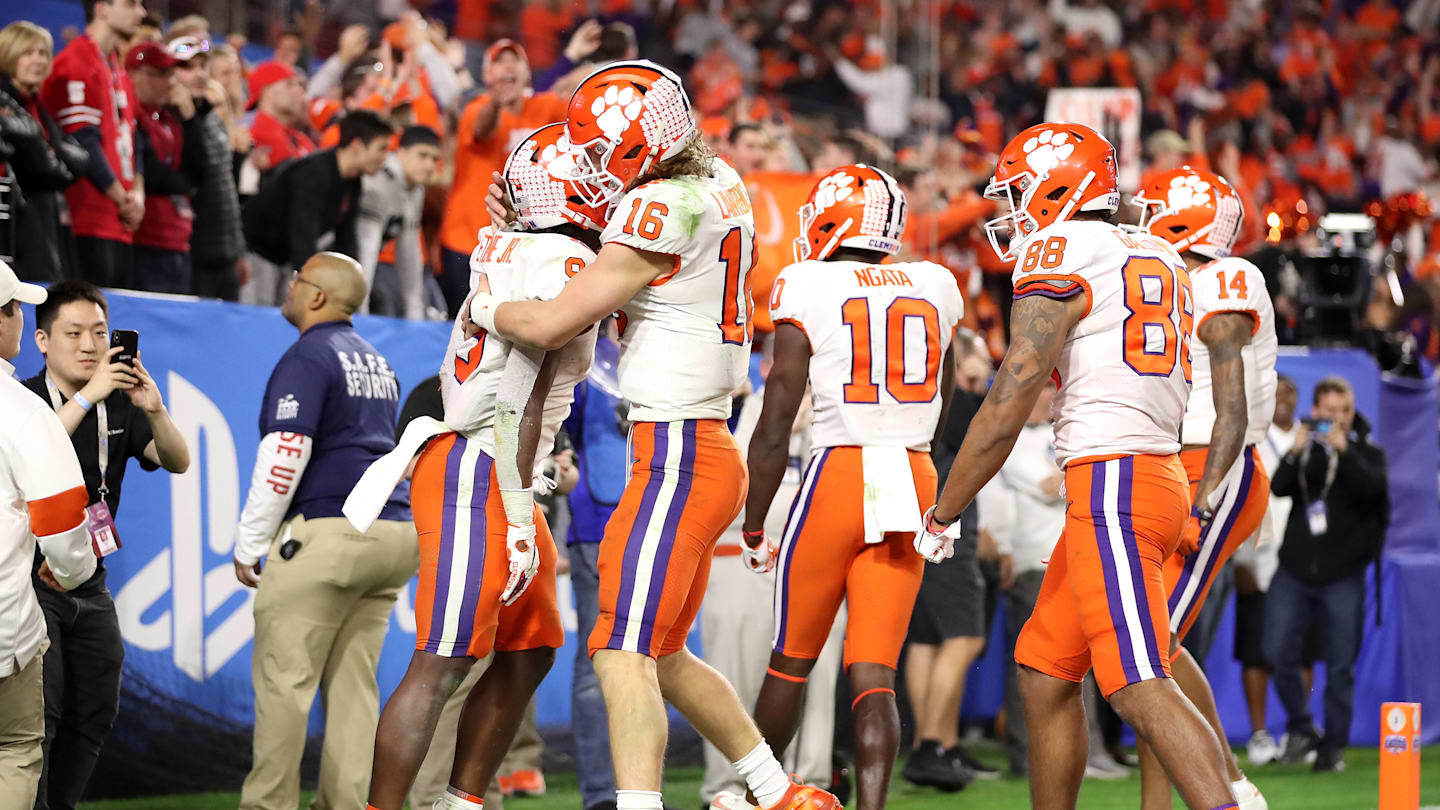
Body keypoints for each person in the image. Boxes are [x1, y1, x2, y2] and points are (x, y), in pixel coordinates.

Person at [469, 61, 840, 810]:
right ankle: (779, 792)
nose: (598, 174)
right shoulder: (719, 182)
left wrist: (486, 299)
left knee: (619, 651)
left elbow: (547, 321)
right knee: (664, 653)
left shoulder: (659, 209)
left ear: (642, 147)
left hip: (677, 452)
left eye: (604, 156)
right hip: (703, 446)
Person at [914, 122, 1239, 810]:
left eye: (1020, 190)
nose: (1014, 207)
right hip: (1145, 472)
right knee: (1044, 671)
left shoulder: (1062, 247)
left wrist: (943, 510)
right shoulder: (1156, 249)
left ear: (1057, 185)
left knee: (1138, 680)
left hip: (1116, 479)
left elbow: (1008, 399)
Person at [349, 122, 608, 810]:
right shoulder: (560, 259)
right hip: (481, 463)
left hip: (499, 462)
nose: (605, 184)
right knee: (442, 659)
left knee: (533, 645)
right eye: (590, 171)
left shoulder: (525, 246)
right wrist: (522, 516)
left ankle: (460, 802)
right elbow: (518, 397)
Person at [735, 164, 962, 810]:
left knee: (792, 659)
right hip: (913, 472)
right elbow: (944, 398)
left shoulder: (807, 283)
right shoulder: (937, 284)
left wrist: (755, 525)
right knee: (874, 674)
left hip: (840, 470)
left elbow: (776, 423)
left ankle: (763, 799)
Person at [230, 252, 418, 810]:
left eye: (297, 280)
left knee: (285, 687)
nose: (288, 287)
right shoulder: (377, 360)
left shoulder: (308, 355)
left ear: (315, 297)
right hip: (393, 533)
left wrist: (251, 541)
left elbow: (286, 451)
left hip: (331, 533)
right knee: (355, 689)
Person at [1134, 166, 1275, 809]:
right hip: (1172, 463)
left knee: (1150, 646)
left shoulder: (1226, 276)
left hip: (1214, 468)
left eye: (1152, 209)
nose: (1140, 219)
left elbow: (1232, 409)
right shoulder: (1167, 280)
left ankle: (1231, 788)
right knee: (1144, 650)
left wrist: (1205, 495)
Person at [23, 279, 189, 810]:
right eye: (73, 333)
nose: (91, 345)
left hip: (90, 580)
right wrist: (87, 395)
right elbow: (37, 449)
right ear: (43, 340)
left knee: (95, 709)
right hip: (29, 582)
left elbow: (179, 460)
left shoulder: (116, 404)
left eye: (99, 331)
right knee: (39, 717)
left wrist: (155, 409)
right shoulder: (23, 401)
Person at [701, 369, 845, 810]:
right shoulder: (733, 404)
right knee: (732, 680)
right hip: (738, 563)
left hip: (812, 563)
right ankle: (727, 791)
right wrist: (771, 431)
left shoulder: (839, 414)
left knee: (815, 684)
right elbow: (724, 492)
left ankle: (811, 785)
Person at [0, 264, 95, 810]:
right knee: (13, 751)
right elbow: (60, 521)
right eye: (14, 307)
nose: (19, 318)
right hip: (5, 634)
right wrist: (74, 572)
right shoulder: (21, 409)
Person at [1266, 376, 1388, 773]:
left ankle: (1332, 749)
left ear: (1352, 413)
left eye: (1344, 411)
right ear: (1315, 412)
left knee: (1339, 666)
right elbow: (1280, 488)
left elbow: (1375, 492)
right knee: (1274, 648)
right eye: (1329, 411)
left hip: (1343, 575)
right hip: (1295, 569)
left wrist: (1346, 455)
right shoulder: (1306, 450)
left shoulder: (1368, 452)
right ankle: (1303, 729)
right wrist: (1292, 453)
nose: (1336, 419)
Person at [905, 330, 997, 790]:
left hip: (917, 518)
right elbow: (987, 436)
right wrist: (972, 386)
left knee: (925, 638)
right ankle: (929, 746)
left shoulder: (921, 397)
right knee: (964, 636)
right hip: (945, 526)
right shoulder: (958, 402)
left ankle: (938, 742)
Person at [437, 39, 564, 316]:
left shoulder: (544, 106)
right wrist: (497, 101)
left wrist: (572, 56)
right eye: (498, 61)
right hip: (467, 239)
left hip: (515, 242)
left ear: (527, 72)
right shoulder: (478, 108)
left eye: (514, 60)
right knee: (461, 321)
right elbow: (483, 129)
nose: (508, 66)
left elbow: (571, 97)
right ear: (486, 76)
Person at [974, 383, 1063, 777]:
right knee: (1033, 663)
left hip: (1067, 559)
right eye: (1042, 387)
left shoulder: (1057, 434)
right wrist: (1088, 467)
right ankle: (1027, 755)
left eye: (1051, 387)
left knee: (1075, 664)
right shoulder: (1013, 440)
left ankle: (1081, 750)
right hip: (1033, 563)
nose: (1048, 395)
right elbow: (1049, 487)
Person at [40, 0, 147, 289]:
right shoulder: (75, 61)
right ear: (102, 7)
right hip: (86, 217)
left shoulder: (116, 67)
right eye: (132, 3)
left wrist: (138, 194)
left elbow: (135, 136)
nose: (142, 12)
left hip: (120, 221)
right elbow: (82, 141)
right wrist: (123, 198)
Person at [241, 110, 394, 306]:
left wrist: (353, 283)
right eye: (381, 149)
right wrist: (312, 286)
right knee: (262, 321)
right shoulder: (314, 173)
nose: (385, 158)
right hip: (256, 253)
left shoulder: (352, 181)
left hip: (282, 258)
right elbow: (302, 234)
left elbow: (347, 239)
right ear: (356, 145)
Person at [560, 375, 626, 810]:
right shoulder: (588, 356)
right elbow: (559, 419)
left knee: (655, 659)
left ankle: (638, 792)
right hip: (598, 520)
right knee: (595, 662)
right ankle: (602, 795)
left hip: (653, 514)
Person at [1231, 375, 1298, 767]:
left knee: (1301, 650)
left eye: (1289, 393)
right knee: (1256, 652)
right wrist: (1241, 559)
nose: (1283, 400)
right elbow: (1241, 500)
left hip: (1303, 563)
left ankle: (1296, 729)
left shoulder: (1309, 438)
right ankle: (1259, 734)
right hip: (1259, 560)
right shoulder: (1251, 440)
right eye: (1275, 393)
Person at [165, 30, 248, 301]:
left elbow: (226, 190)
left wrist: (237, 251)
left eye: (202, 66)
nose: (199, 74)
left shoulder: (209, 115)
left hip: (223, 256)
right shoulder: (169, 120)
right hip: (191, 256)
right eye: (187, 67)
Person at [0, 22, 86, 284]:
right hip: (17, 231)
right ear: (9, 56)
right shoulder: (4, 103)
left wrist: (48, 152)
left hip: (42, 224)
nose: (37, 60)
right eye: (28, 53)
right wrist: (51, 155)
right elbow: (44, 166)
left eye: (42, 53)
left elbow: (76, 159)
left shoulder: (37, 107)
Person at [125, 41, 204, 294]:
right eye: (160, 74)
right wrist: (186, 183)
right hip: (145, 240)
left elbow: (199, 171)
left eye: (171, 74)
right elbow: (152, 174)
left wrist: (190, 117)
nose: (170, 82)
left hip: (179, 240)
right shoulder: (131, 117)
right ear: (134, 75)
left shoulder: (170, 118)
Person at [356, 125, 440, 318]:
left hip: (354, 265)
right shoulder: (381, 176)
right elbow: (365, 245)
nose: (430, 165)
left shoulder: (415, 187)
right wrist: (360, 312)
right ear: (401, 152)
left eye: (435, 159)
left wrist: (414, 311)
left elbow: (409, 250)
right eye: (423, 156)